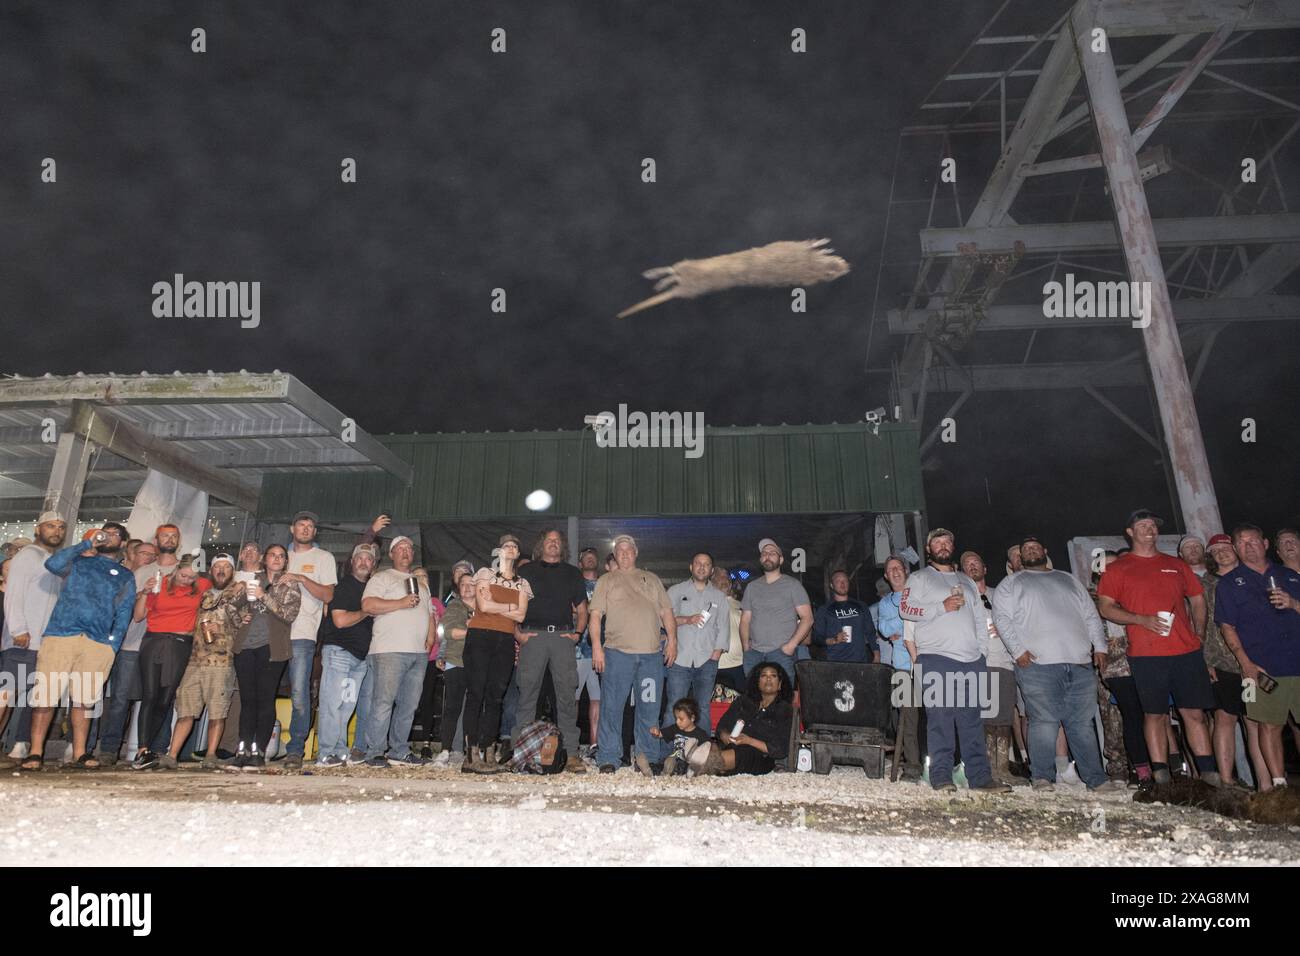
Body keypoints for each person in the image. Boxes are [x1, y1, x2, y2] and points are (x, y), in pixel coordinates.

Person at [1096, 509, 1218, 787]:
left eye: (1153, 525)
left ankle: (1209, 776)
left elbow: (1198, 599)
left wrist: (1199, 635)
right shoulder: (1117, 569)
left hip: (1186, 651)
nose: (1150, 529)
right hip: (1146, 653)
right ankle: (1161, 775)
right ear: (1130, 532)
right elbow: (1105, 607)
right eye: (1143, 525)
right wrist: (1141, 619)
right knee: (1154, 713)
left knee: (1194, 713)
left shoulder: (1176, 564)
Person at [993, 537, 1121, 793]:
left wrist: (1101, 647)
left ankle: (1096, 779)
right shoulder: (1011, 583)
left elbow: (1090, 615)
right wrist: (1018, 652)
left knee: (1082, 723)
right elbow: (1002, 619)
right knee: (1043, 721)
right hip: (1037, 665)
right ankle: (1042, 777)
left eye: (1034, 547)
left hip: (1080, 663)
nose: (1030, 551)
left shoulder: (1068, 579)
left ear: (1045, 551)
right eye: (1025, 549)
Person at [898, 528, 1011, 794]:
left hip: (971, 659)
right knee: (940, 720)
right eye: (937, 542)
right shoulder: (919, 577)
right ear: (929, 549)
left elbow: (979, 620)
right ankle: (941, 777)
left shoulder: (967, 581)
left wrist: (981, 653)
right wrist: (941, 606)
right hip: (936, 657)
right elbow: (906, 608)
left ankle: (981, 779)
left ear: (953, 546)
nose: (943, 545)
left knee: (972, 721)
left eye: (947, 541)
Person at [20, 524, 136, 771]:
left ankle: (80, 753)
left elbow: (124, 614)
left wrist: (110, 646)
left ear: (124, 543)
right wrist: (86, 543)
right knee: (45, 697)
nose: (109, 536)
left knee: (84, 701)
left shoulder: (125, 576)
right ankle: (35, 752)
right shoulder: (78, 562)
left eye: (116, 534)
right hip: (61, 635)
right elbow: (52, 565)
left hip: (97, 644)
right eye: (105, 532)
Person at [1215, 524, 1300, 791]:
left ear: (1264, 544)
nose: (1247, 545)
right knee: (1268, 725)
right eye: (1240, 542)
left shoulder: (1289, 576)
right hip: (1261, 668)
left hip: (1297, 661)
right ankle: (1278, 785)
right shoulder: (1229, 583)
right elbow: (1227, 626)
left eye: (1253, 541)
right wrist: (1246, 665)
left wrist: (1294, 604)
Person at [589, 533, 676, 776]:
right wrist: (597, 646)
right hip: (617, 655)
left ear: (636, 553)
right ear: (614, 556)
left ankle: (646, 757)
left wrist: (673, 641)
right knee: (612, 707)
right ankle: (608, 757)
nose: (625, 553)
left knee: (649, 707)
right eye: (620, 550)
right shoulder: (606, 580)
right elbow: (595, 616)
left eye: (629, 550)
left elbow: (666, 613)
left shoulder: (652, 579)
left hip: (650, 657)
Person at [514, 529, 589, 772]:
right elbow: (512, 602)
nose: (554, 544)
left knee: (567, 695)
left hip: (562, 637)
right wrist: (516, 632)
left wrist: (577, 634)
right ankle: (521, 751)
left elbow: (582, 608)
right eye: (549, 540)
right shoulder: (525, 571)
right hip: (532, 636)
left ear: (562, 547)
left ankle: (572, 753)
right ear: (541, 545)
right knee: (527, 693)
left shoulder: (572, 573)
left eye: (557, 541)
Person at [131, 555, 213, 770]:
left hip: (181, 643)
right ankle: (142, 749)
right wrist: (145, 593)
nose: (187, 580)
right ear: (177, 569)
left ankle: (150, 747)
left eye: (192, 577)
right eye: (184, 575)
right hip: (154, 641)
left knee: (165, 699)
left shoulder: (203, 585)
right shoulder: (160, 583)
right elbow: (139, 616)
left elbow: (223, 586)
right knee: (150, 695)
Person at [360, 535, 436, 767]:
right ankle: (374, 752)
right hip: (389, 650)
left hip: (418, 654)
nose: (405, 551)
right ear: (392, 554)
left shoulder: (421, 585)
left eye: (409, 548)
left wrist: (430, 637)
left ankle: (399, 750)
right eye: (400, 548)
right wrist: (400, 603)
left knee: (409, 705)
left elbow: (429, 614)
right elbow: (368, 606)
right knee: (384, 701)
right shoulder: (382, 578)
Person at [163, 556, 244, 770]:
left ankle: (210, 755)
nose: (221, 570)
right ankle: (171, 755)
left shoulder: (240, 594)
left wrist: (225, 629)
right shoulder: (203, 594)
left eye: (226, 567)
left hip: (221, 662)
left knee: (217, 712)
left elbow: (246, 627)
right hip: (195, 661)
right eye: (217, 566)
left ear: (233, 571)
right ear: (211, 570)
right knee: (186, 710)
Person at [461, 534, 532, 773]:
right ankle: (471, 756)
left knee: (496, 697)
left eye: (514, 546)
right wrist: (511, 607)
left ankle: (489, 751)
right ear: (498, 552)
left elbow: (521, 616)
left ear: (518, 554)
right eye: (506, 546)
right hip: (480, 636)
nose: (510, 548)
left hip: (505, 641)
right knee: (476, 693)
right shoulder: (484, 573)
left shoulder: (523, 583)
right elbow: (484, 606)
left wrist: (501, 607)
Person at [0, 511, 66, 768]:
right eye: (50, 526)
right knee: (6, 696)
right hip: (24, 640)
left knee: (30, 698)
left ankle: (21, 745)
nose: (56, 531)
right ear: (38, 529)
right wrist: (18, 629)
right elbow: (13, 594)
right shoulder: (27, 556)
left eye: (60, 527)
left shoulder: (51, 560)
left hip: (44, 642)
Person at [231, 543, 301, 769]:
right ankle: (242, 748)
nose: (277, 559)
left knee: (265, 699)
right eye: (273, 555)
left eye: (282, 556)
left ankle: (258, 750)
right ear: (265, 559)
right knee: (247, 699)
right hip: (246, 647)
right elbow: (232, 608)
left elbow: (288, 615)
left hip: (273, 649)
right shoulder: (252, 580)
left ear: (286, 562)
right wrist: (239, 618)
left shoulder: (289, 584)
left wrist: (263, 596)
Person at [94, 538, 161, 765]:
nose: (149, 558)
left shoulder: (156, 578)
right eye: (144, 553)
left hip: (138, 645)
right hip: (115, 643)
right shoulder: (122, 576)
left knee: (125, 698)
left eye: (153, 555)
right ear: (131, 554)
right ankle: (97, 746)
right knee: (103, 696)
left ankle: (110, 748)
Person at [281, 510, 338, 770]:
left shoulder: (323, 558)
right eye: (301, 524)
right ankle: (253, 746)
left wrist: (302, 578)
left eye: (310, 526)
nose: (305, 528)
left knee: (299, 694)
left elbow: (328, 595)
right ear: (292, 528)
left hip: (302, 633)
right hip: (272, 633)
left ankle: (295, 749)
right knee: (263, 690)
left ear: (315, 532)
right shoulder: (278, 555)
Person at [316, 543, 377, 767]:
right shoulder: (343, 587)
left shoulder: (371, 590)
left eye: (368, 559)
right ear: (352, 562)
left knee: (346, 706)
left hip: (360, 659)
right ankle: (325, 753)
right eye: (359, 558)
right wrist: (365, 612)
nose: (363, 562)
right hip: (339, 653)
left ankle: (340, 751)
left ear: (373, 565)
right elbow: (339, 621)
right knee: (332, 704)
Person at [1092, 552, 1149, 785]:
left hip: (1141, 662)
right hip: (1109, 666)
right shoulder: (1089, 597)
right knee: (1113, 719)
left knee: (1145, 717)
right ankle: (1118, 768)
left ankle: (1146, 767)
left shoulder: (1133, 591)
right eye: (1107, 567)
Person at [962, 550, 1016, 785]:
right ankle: (985, 770)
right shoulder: (962, 599)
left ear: (985, 569)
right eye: (967, 565)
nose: (972, 567)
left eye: (976, 563)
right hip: (977, 664)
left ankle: (1003, 768)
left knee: (1003, 719)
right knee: (983, 719)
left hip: (1003, 662)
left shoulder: (1000, 595)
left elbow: (1017, 622)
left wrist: (1005, 631)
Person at [666, 552, 730, 733]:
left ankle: (702, 755)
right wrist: (687, 620)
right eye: (698, 563)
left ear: (711, 571)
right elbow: (663, 619)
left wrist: (715, 655)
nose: (702, 567)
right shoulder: (676, 591)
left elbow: (724, 627)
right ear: (691, 567)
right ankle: (666, 756)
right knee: (674, 706)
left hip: (706, 661)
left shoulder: (719, 597)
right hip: (678, 659)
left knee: (702, 708)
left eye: (706, 564)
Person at [696, 663, 794, 776]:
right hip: (730, 747)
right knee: (712, 744)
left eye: (773, 676)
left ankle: (705, 763)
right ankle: (710, 764)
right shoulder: (743, 701)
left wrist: (749, 741)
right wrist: (725, 736)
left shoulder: (784, 709)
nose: (768, 679)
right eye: (763, 675)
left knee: (743, 752)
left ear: (780, 684)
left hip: (760, 756)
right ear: (757, 682)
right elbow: (721, 727)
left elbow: (780, 749)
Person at [739, 538, 812, 682]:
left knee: (782, 700)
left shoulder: (793, 585)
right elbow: (745, 620)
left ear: (781, 559)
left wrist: (791, 646)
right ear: (761, 559)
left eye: (772, 552)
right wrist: (746, 647)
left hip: (781, 654)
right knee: (754, 699)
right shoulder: (752, 587)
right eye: (764, 553)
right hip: (754, 654)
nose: (767, 555)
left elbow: (807, 618)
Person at [879, 555, 921, 779]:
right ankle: (912, 767)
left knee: (937, 714)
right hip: (902, 665)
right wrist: (907, 619)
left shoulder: (919, 594)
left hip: (927, 660)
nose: (895, 572)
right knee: (907, 717)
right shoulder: (886, 603)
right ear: (886, 576)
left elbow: (927, 619)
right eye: (890, 570)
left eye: (898, 568)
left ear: (905, 570)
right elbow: (885, 630)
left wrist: (902, 624)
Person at [432, 572, 475, 767]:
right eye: (463, 584)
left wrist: (469, 627)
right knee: (452, 707)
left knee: (474, 709)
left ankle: (469, 751)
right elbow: (449, 632)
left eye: (471, 584)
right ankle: (445, 750)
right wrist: (474, 629)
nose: (467, 588)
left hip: (478, 663)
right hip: (455, 661)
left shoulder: (485, 608)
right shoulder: (455, 607)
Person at [810, 569, 874, 664]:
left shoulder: (861, 606)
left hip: (860, 661)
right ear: (832, 585)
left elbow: (871, 632)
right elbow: (816, 637)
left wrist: (877, 655)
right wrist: (834, 639)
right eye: (838, 581)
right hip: (835, 662)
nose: (843, 583)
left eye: (845, 580)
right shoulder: (824, 609)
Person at [574, 548, 602, 756]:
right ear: (580, 562)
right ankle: (571, 743)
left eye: (593, 555)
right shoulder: (573, 583)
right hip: (576, 650)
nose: (590, 558)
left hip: (600, 649)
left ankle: (594, 743)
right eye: (586, 556)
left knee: (597, 698)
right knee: (572, 697)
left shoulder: (605, 584)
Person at [651, 697, 711, 777]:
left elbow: (708, 748)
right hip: (673, 758)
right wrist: (656, 732)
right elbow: (662, 734)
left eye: (681, 719)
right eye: (676, 718)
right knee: (662, 763)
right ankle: (650, 768)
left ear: (692, 718)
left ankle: (671, 770)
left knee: (682, 766)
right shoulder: (675, 728)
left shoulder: (700, 734)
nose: (677, 722)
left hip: (686, 763)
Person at [712, 567, 745, 696]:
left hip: (739, 664)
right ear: (712, 582)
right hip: (714, 665)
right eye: (720, 578)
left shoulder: (741, 605)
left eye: (727, 578)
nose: (724, 580)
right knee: (715, 706)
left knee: (740, 705)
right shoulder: (706, 604)